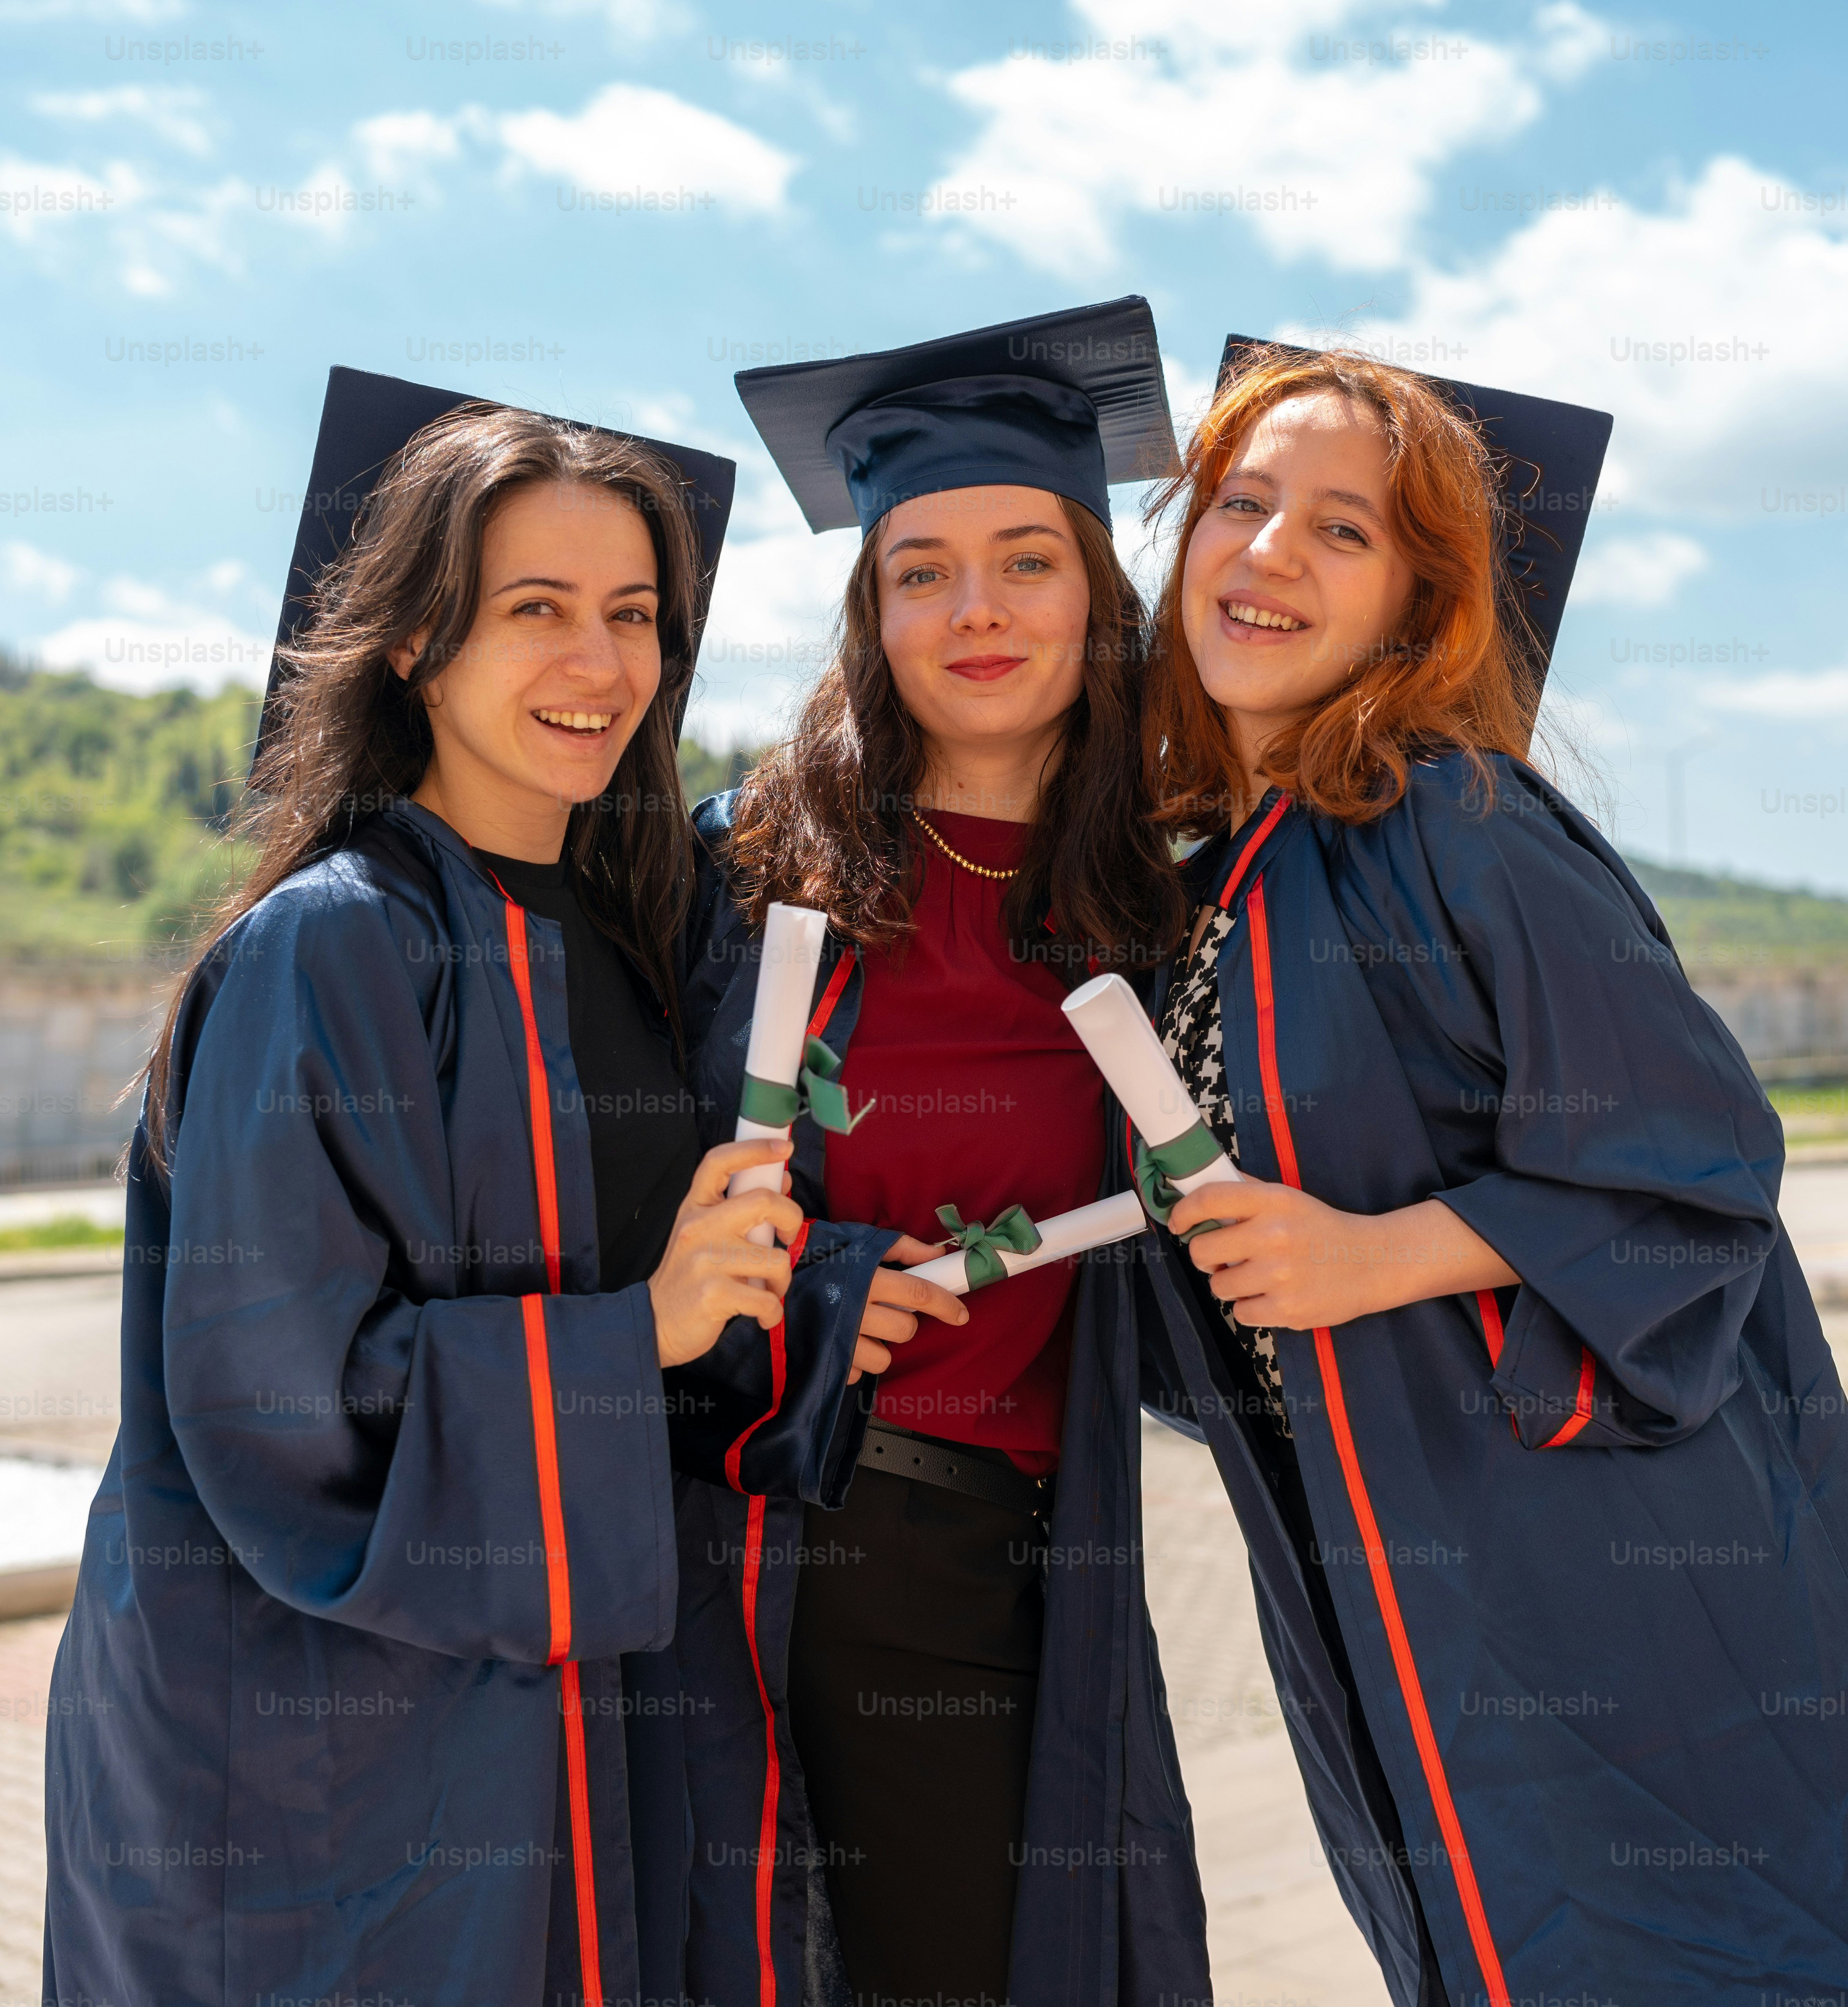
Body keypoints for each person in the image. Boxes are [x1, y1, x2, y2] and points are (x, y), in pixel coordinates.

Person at [1114, 338, 1848, 2005]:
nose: (1266, 552)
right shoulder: (1220, 884)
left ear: (1418, 601)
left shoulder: (1459, 823)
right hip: (1377, 1566)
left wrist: (1377, 1259)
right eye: (1240, 503)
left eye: (1342, 528)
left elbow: (1696, 1165)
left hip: (1588, 1573)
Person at [39, 369, 894, 2006]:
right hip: (334, 1744)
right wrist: (631, 1331)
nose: (602, 663)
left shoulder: (629, 944)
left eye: (635, 613)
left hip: (565, 1706)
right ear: (417, 642)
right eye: (539, 609)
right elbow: (277, 1403)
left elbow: (643, 1302)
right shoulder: (335, 944)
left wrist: (818, 1287)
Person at [658, 299, 1210, 2007]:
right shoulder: (748, 875)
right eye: (922, 569)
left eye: (1025, 561)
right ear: (868, 608)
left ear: (1097, 598)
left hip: (1061, 1538)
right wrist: (824, 1279)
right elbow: (618, 1211)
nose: (974, 609)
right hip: (826, 1534)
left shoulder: (1178, 899)